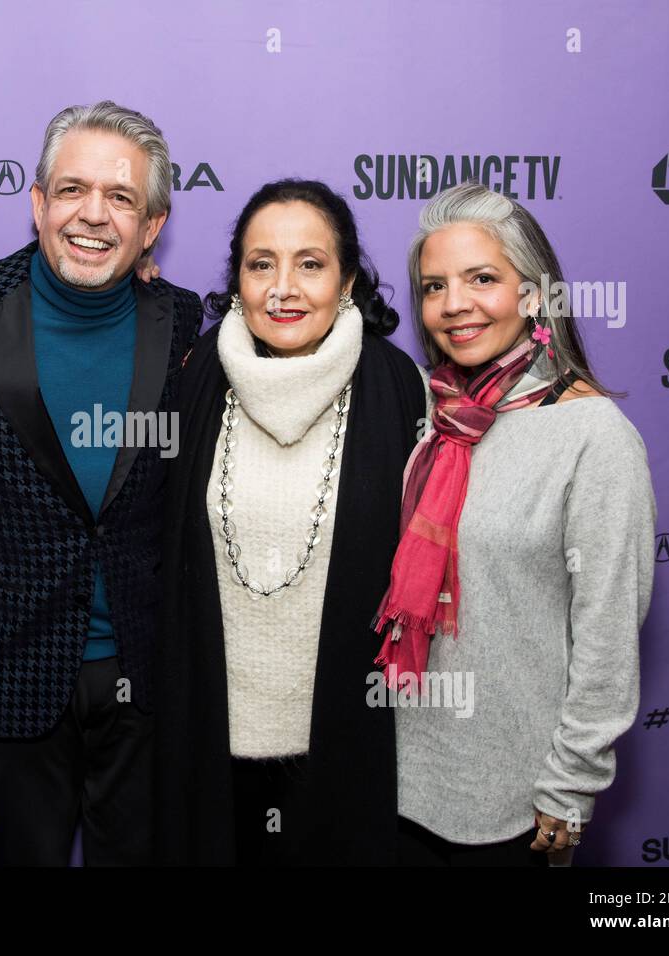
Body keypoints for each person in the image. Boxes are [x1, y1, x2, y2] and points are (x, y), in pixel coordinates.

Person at [0, 101, 201, 866]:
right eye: (72, 189)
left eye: (122, 198)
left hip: (143, 671)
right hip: (12, 667)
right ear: (38, 202)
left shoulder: (183, 320)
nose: (93, 215)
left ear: (152, 227)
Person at [379, 181, 656, 866]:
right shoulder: (438, 419)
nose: (454, 305)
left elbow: (606, 638)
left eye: (482, 279)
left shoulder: (594, 437)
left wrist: (569, 791)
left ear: (533, 295)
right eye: (434, 285)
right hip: (400, 787)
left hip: (517, 808)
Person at [154, 179, 430, 865]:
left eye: (310, 263)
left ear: (346, 283)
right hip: (211, 746)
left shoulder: (399, 388)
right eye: (260, 263)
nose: (284, 287)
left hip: (348, 743)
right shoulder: (193, 378)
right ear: (238, 282)